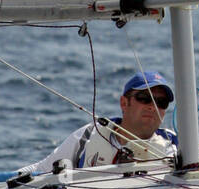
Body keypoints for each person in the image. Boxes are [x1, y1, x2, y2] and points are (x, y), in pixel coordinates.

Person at [16, 71, 178, 176]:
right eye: (144, 98)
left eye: (161, 102)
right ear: (124, 103)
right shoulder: (89, 135)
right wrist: (0, 186)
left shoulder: (175, 145)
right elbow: (42, 170)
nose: (152, 106)